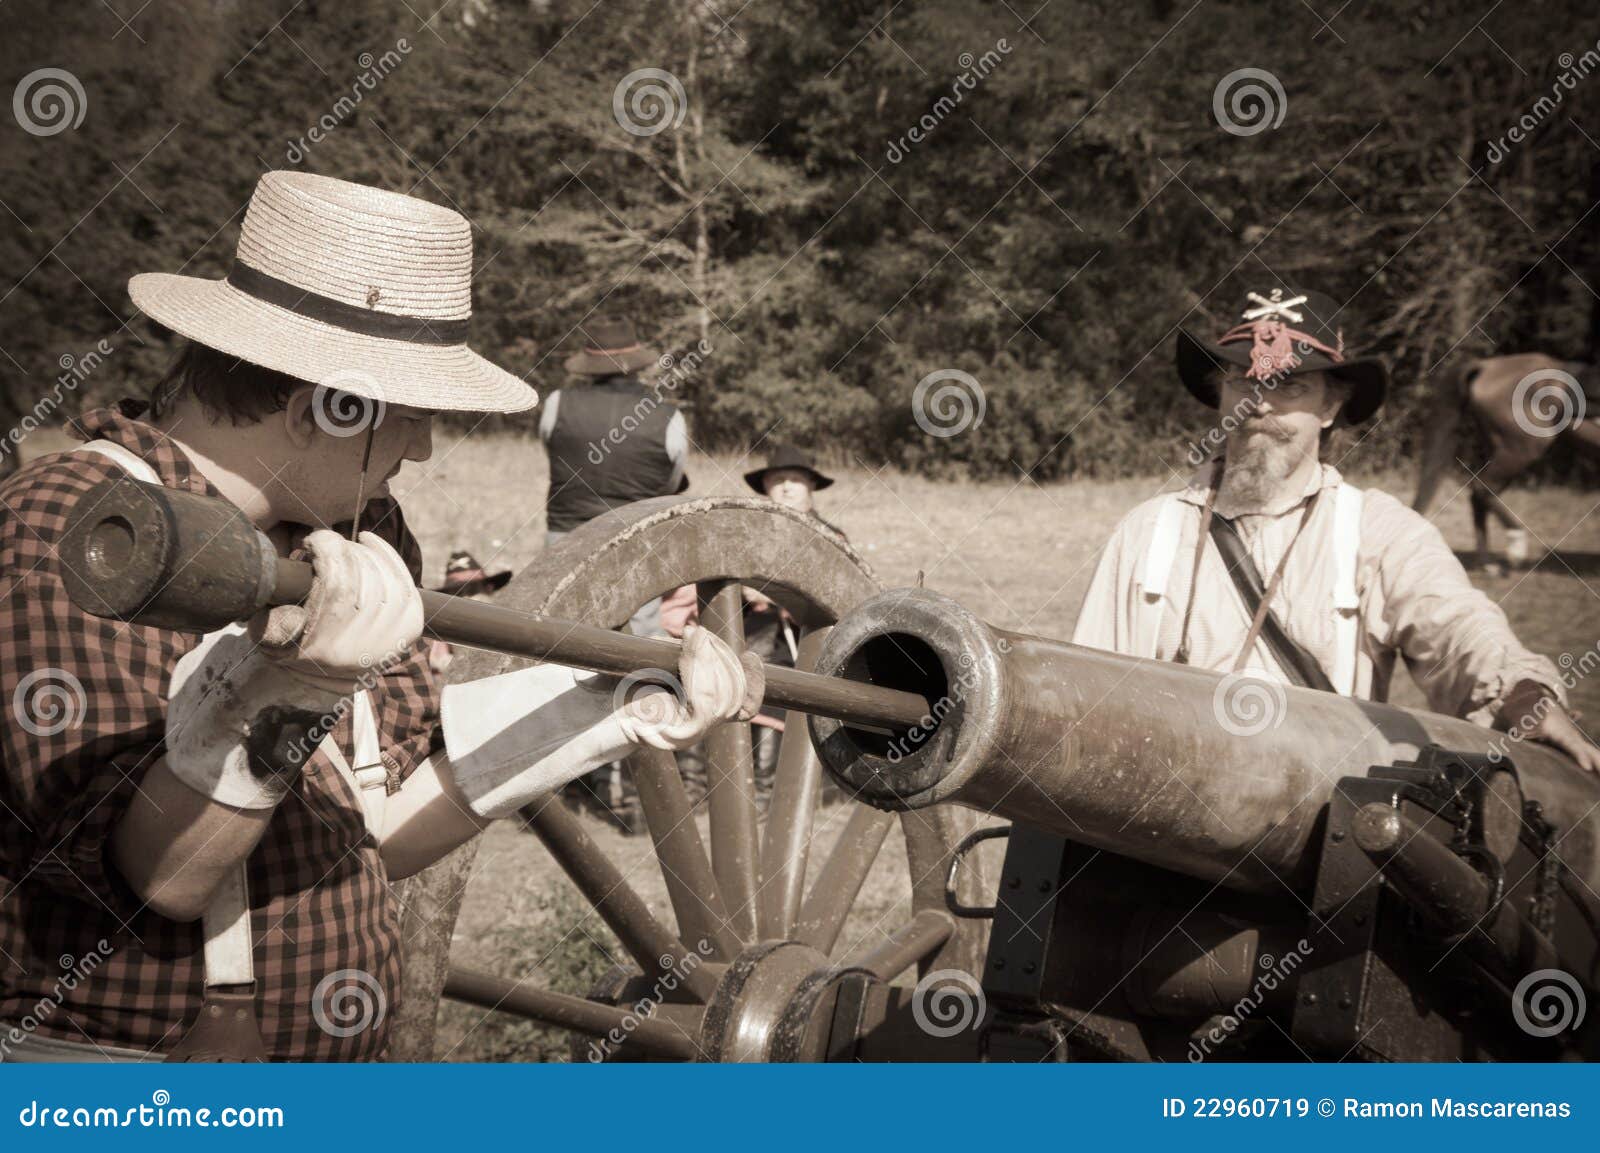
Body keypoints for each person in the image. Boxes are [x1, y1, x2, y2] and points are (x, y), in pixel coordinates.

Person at [0, 171, 761, 1062]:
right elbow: (165, 874)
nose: (425, 445)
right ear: (322, 408)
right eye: (411, 415)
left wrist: (605, 709)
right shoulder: (74, 529)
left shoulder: (357, 532)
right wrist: (285, 682)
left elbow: (377, 825)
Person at [1072, 286, 1600, 773]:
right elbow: (1086, 696)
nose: (1259, 404)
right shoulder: (1146, 533)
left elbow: (1459, 625)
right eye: (1243, 381)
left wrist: (1524, 695)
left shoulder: (1379, 532)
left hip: (1312, 841)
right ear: (1220, 396)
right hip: (1161, 832)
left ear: (1330, 407)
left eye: (1289, 386)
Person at [539, 315, 688, 639]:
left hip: (566, 531)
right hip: (636, 535)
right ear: (636, 363)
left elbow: (551, 451)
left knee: (559, 624)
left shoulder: (556, 403)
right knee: (640, 629)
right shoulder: (669, 417)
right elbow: (671, 483)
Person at [741, 446, 846, 796]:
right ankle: (753, 787)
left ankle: (776, 789)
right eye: (778, 480)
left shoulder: (831, 538)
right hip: (752, 636)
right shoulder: (747, 533)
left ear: (810, 487)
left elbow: (841, 595)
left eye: (795, 481)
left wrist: (782, 598)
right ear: (766, 487)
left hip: (809, 639)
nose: (786, 487)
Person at [426, 550, 514, 680]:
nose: (466, 597)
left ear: (488, 588)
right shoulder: (434, 642)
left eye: (472, 588)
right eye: (457, 593)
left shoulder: (509, 629)